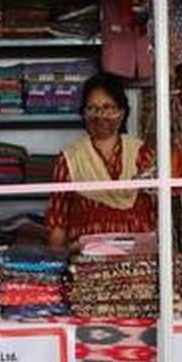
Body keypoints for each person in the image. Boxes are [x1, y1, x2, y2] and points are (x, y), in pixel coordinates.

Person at [47, 73, 156, 248]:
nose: (100, 116)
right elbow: (58, 221)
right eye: (92, 108)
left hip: (139, 255)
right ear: (84, 114)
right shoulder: (69, 159)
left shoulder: (142, 154)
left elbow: (158, 210)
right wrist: (56, 259)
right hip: (86, 258)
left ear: (121, 112)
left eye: (108, 108)